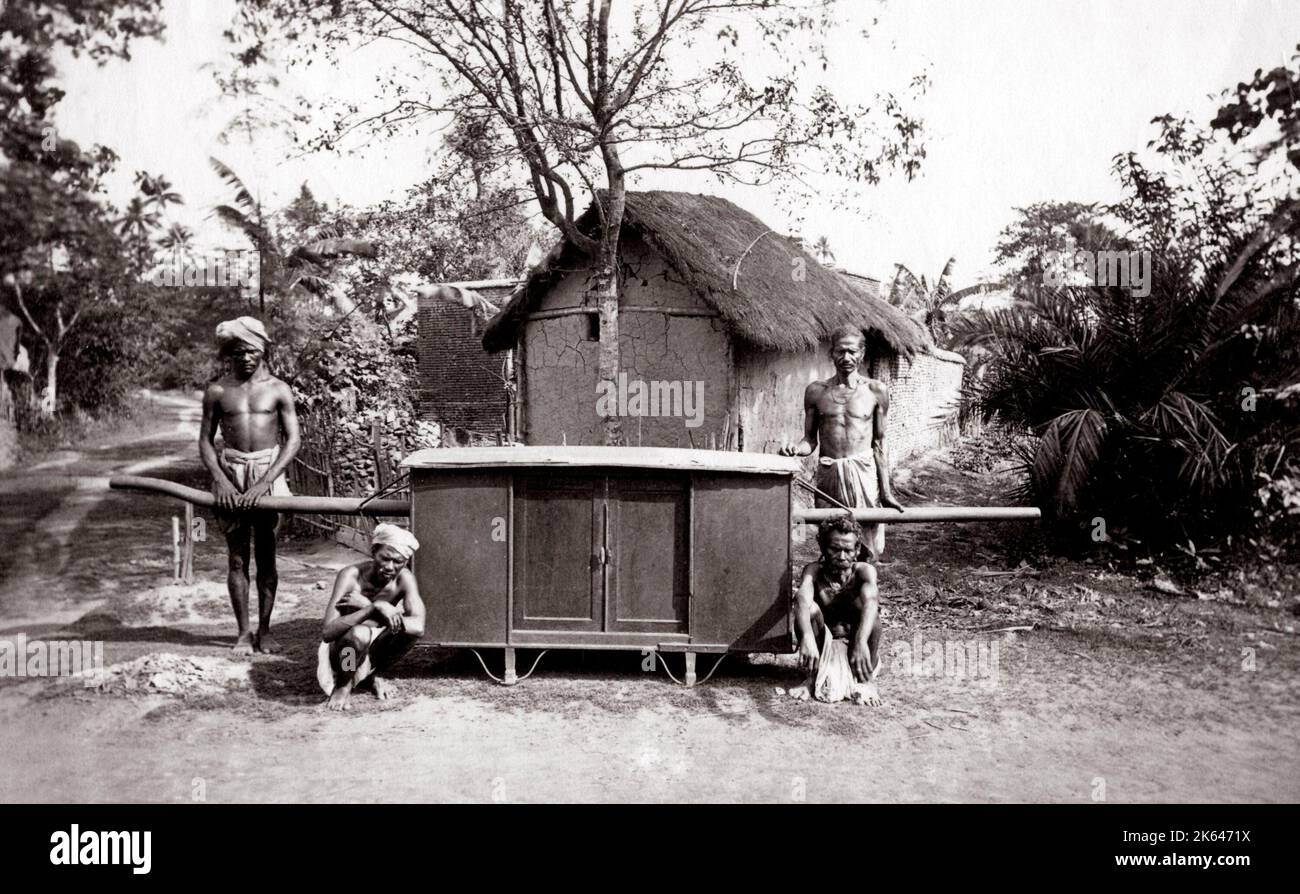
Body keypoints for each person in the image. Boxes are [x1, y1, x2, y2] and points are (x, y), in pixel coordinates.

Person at [198, 317, 301, 655]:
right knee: (237, 559)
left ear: (262, 350)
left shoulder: (278, 389)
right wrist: (221, 480)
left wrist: (266, 482)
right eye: (237, 352)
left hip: (267, 474)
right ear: (229, 353)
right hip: (232, 472)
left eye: (251, 351)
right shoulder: (217, 391)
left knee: (267, 558)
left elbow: (293, 441)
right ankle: (243, 633)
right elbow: (204, 441)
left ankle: (265, 630)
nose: (244, 358)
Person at [780, 325, 904, 559]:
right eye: (840, 351)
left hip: (863, 475)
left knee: (866, 544)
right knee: (832, 541)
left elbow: (878, 445)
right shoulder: (816, 392)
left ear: (862, 353)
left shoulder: (876, 391)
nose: (846, 358)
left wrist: (886, 493)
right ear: (831, 353)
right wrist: (795, 449)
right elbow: (809, 441)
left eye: (852, 352)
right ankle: (834, 591)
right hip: (829, 474)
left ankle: (864, 587)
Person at [317, 524, 425, 711]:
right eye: (385, 558)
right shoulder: (351, 576)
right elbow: (328, 633)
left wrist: (372, 607)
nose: (390, 567)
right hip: (344, 651)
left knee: (408, 634)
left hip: (374, 648)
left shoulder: (403, 579)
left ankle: (372, 675)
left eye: (398, 562)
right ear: (374, 551)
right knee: (360, 634)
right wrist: (373, 608)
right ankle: (343, 685)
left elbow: (418, 627)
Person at [789, 517, 883, 706]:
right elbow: (801, 601)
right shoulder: (813, 571)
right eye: (835, 549)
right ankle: (810, 679)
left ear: (857, 551)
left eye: (848, 550)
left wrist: (861, 642)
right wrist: (807, 637)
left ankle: (865, 682)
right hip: (822, 648)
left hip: (858, 648)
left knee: (872, 616)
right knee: (811, 609)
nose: (841, 557)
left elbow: (872, 601)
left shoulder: (865, 571)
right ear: (823, 548)